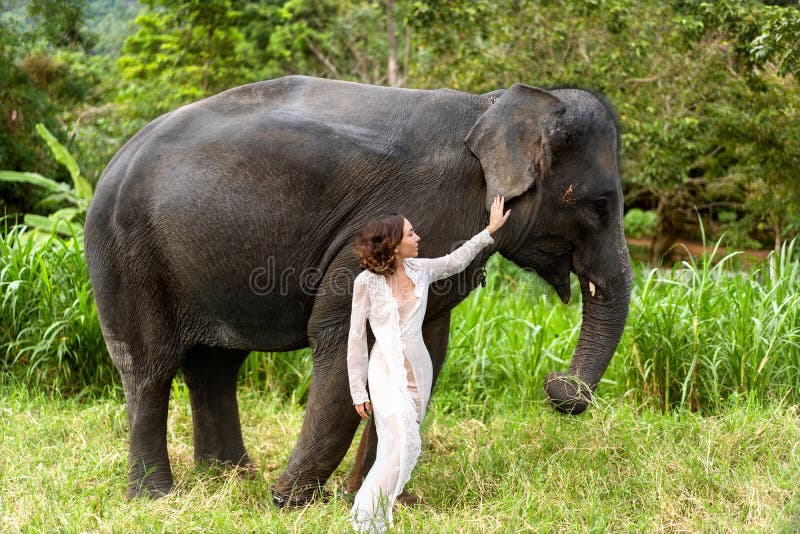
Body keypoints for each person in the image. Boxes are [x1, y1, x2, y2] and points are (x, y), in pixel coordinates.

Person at [347, 195, 511, 532]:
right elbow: (356, 339)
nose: (418, 237)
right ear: (393, 244)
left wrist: (489, 231)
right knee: (400, 441)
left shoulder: (420, 270)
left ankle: (378, 509)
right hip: (384, 371)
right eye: (411, 233)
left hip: (418, 371)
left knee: (404, 445)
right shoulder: (366, 283)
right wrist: (357, 389)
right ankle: (365, 518)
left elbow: (455, 261)